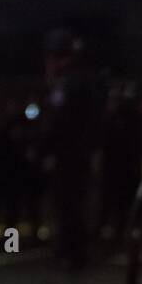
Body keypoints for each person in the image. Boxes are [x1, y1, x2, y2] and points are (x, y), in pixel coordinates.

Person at [42, 26, 103, 270]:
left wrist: (45, 148)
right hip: (81, 151)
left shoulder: (66, 84)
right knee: (77, 201)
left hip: (67, 153)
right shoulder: (85, 81)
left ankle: (71, 250)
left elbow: (57, 120)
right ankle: (75, 248)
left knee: (67, 202)